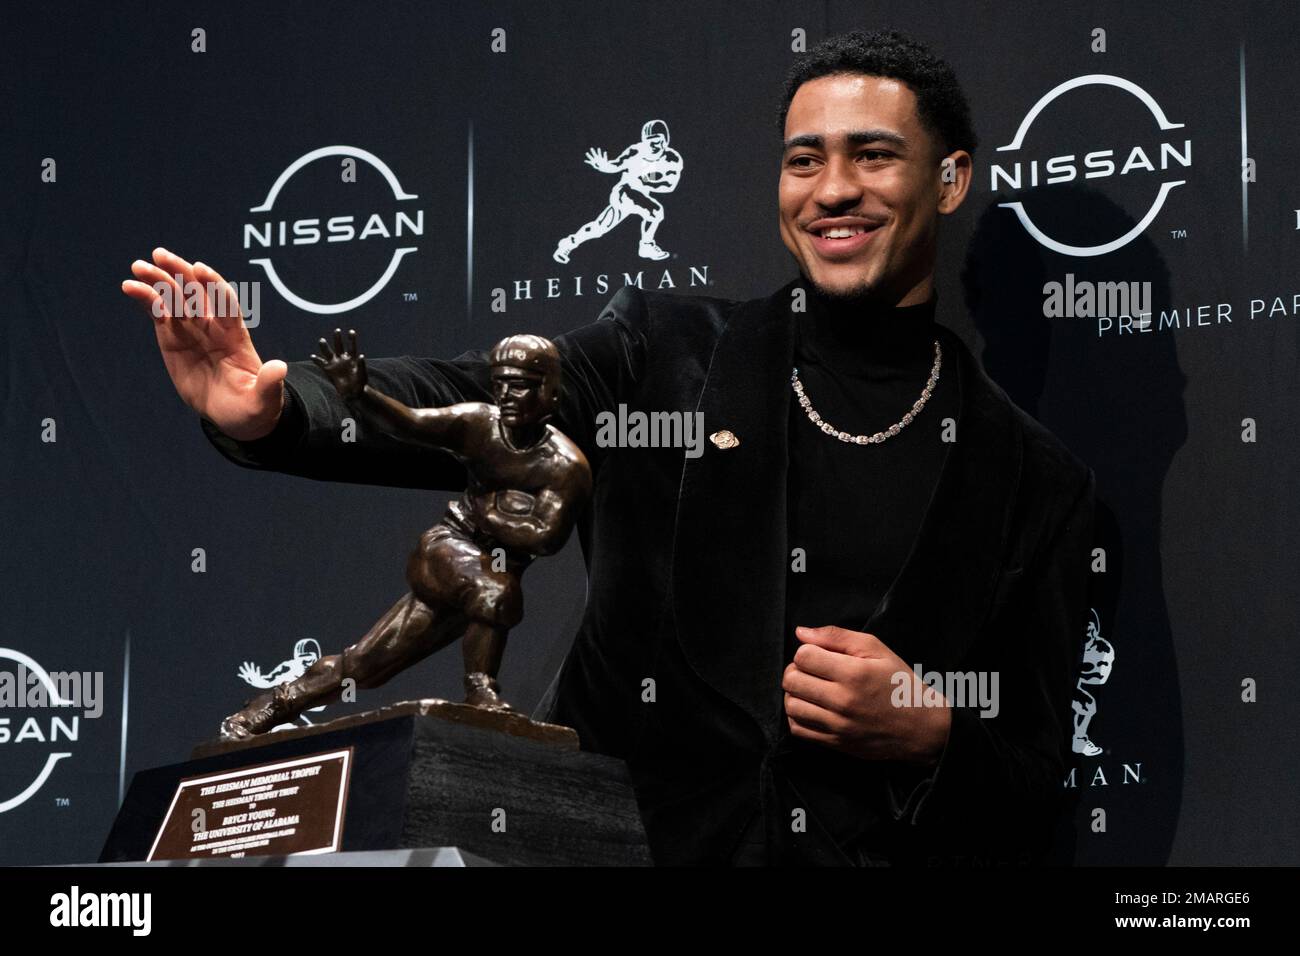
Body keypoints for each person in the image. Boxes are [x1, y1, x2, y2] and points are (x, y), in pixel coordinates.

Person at [121, 29, 1095, 866]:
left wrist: (932, 729)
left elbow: (1037, 760)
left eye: (872, 155)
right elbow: (470, 402)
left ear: (950, 174)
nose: (832, 189)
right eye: (803, 159)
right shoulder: (664, 353)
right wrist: (280, 409)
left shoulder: (1030, 478)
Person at [217, 331, 592, 740]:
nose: (507, 395)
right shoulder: (478, 424)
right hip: (447, 547)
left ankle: (266, 709)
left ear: (551, 394)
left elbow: (545, 538)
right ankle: (481, 689)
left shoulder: (565, 467)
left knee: (365, 666)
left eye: (520, 386)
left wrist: (490, 514)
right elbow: (410, 424)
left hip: (479, 577)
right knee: (496, 592)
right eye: (500, 383)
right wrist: (360, 395)